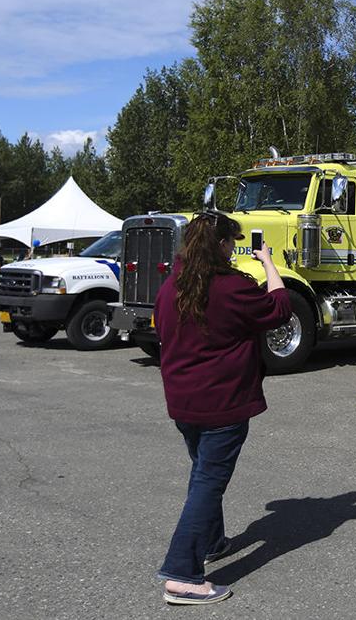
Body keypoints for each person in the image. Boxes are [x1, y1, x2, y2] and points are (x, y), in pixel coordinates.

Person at [153, 213, 292, 606]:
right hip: (223, 404)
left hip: (183, 402)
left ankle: (212, 542)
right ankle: (182, 575)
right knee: (207, 482)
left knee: (202, 473)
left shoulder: (172, 286)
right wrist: (267, 262)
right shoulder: (231, 287)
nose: (234, 249)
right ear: (220, 245)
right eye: (232, 242)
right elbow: (280, 308)